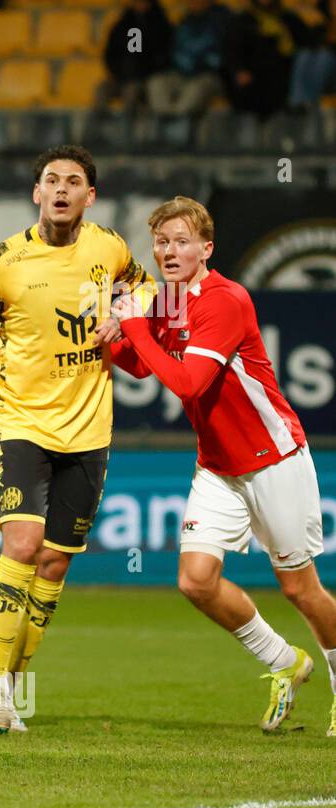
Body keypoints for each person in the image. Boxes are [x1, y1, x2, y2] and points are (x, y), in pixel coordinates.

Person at [0, 145, 155, 734]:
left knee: (54, 564)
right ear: (36, 194)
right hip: (19, 423)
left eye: (73, 181)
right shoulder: (2, 261)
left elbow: (152, 288)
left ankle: (9, 685)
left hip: (89, 429)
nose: (60, 189)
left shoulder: (109, 247)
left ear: (90, 196)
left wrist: (129, 312)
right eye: (50, 181)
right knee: (24, 545)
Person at [96, 196, 336, 734]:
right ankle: (284, 662)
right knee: (195, 581)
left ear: (207, 248)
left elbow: (187, 382)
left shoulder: (226, 300)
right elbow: (138, 366)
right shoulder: (165, 301)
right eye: (161, 242)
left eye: (182, 241)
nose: (169, 251)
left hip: (273, 459)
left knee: (299, 588)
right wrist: (109, 330)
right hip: (218, 466)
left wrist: (132, 325)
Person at [147, 0, 232, 118]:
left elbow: (222, 56)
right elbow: (175, 51)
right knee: (156, 83)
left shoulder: (222, 21)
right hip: (181, 73)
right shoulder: (185, 22)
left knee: (194, 90)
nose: (193, 3)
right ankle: (166, 121)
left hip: (210, 75)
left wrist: (201, 63)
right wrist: (182, 63)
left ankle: (178, 125)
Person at [224, 0, 307, 118]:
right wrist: (238, 70)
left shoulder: (288, 18)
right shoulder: (244, 20)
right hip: (254, 79)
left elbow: (305, 43)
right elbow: (231, 50)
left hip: (285, 78)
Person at [97, 0, 172, 113]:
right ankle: (98, 125)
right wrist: (118, 72)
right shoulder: (121, 26)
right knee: (101, 89)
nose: (140, 5)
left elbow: (163, 56)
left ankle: (126, 127)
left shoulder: (160, 25)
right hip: (120, 77)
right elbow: (110, 55)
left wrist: (142, 73)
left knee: (131, 91)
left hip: (144, 79)